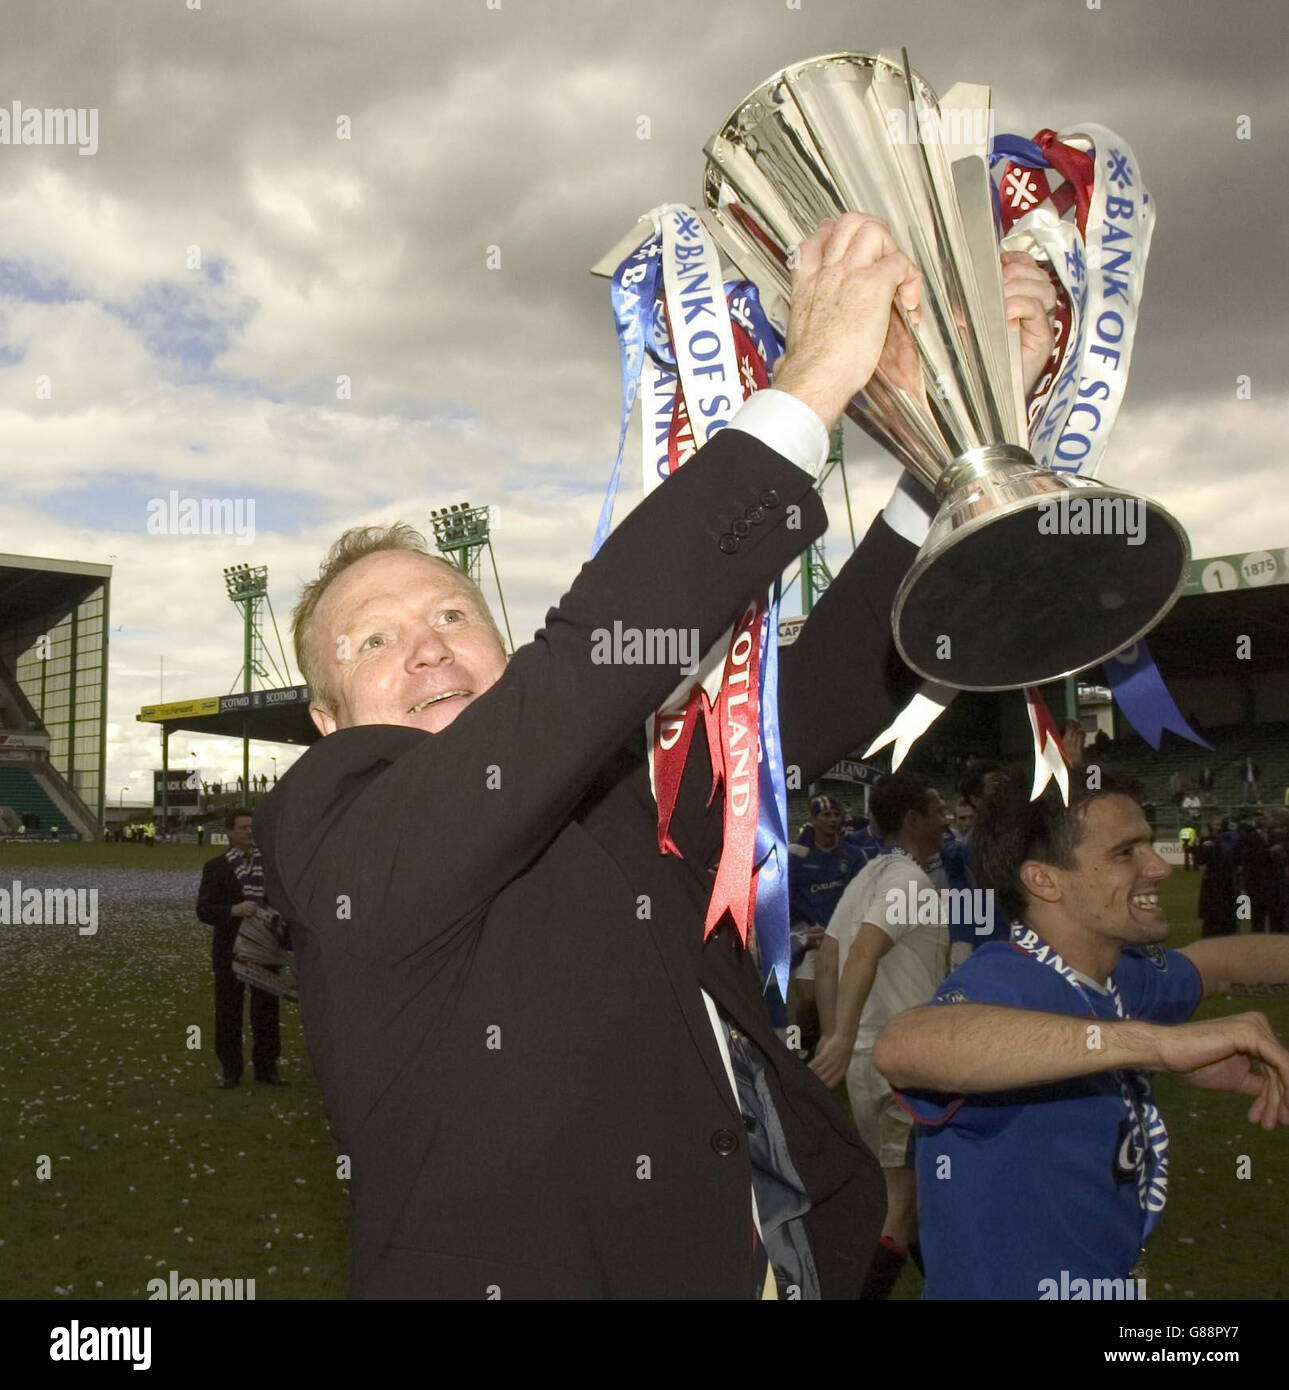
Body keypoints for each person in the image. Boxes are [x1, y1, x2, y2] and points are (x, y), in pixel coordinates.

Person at [252, 216, 1063, 1299]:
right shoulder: (332, 830)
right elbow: (577, 676)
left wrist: (947, 449)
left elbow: (813, 696)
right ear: (325, 715)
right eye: (374, 640)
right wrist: (811, 380)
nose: (428, 645)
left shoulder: (610, 807)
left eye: (451, 610)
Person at [872, 766, 1289, 1300]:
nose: (1158, 867)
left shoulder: (1115, 976)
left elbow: (1220, 964)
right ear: (1044, 879)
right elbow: (905, 1045)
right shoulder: (1008, 979)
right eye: (1126, 852)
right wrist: (1156, 1045)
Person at [809, 771, 951, 1299]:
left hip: (873, 1059)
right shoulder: (908, 882)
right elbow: (864, 951)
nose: (946, 818)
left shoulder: (865, 878)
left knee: (914, 1201)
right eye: (937, 809)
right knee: (899, 1202)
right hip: (899, 1061)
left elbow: (829, 958)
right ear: (913, 820)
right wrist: (842, 1038)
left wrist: (837, 1036)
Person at [196, 807, 284, 1088]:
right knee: (228, 1010)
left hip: (265, 946)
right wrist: (234, 910)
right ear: (230, 832)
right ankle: (231, 1070)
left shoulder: (271, 865)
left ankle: (266, 1067)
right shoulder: (216, 867)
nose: (249, 832)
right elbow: (204, 910)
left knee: (267, 1009)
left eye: (252, 827)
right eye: (243, 827)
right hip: (230, 948)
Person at [788, 794, 861, 1050]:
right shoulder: (797, 856)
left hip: (841, 935)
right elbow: (786, 898)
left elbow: (860, 898)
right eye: (825, 815)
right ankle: (803, 1046)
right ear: (812, 819)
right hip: (808, 935)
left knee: (840, 994)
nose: (832, 820)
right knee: (808, 998)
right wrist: (803, 933)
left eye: (836, 814)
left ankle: (833, 1044)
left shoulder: (852, 856)